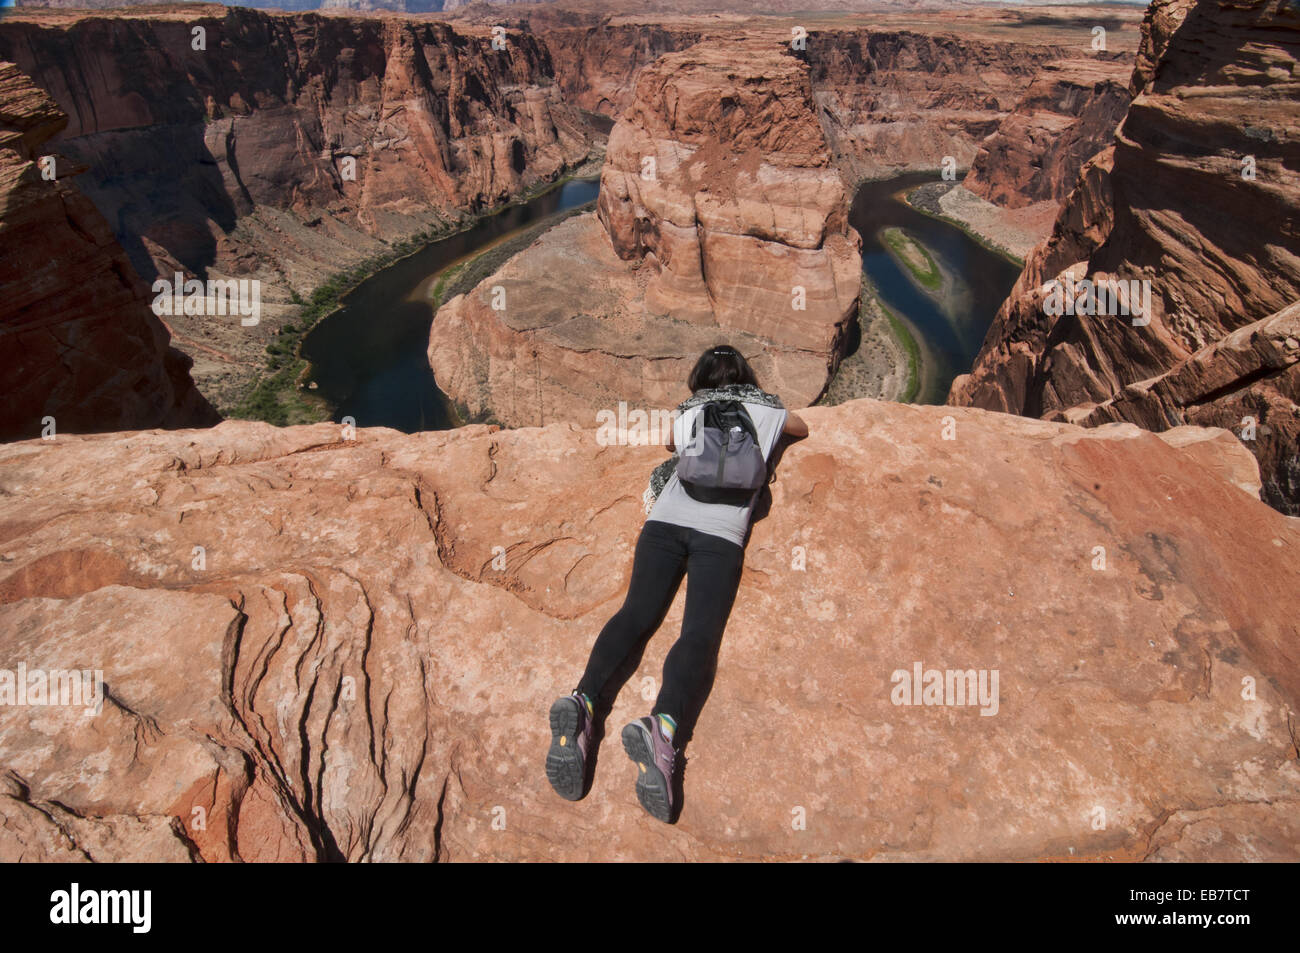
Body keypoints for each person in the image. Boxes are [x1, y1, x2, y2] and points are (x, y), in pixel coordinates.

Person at [545, 344, 808, 822]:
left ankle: (583, 701)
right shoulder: (766, 409)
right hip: (720, 537)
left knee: (636, 614)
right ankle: (663, 727)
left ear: (700, 379)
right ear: (745, 376)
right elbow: (801, 429)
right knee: (698, 636)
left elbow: (670, 446)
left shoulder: (690, 410)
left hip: (664, 523)